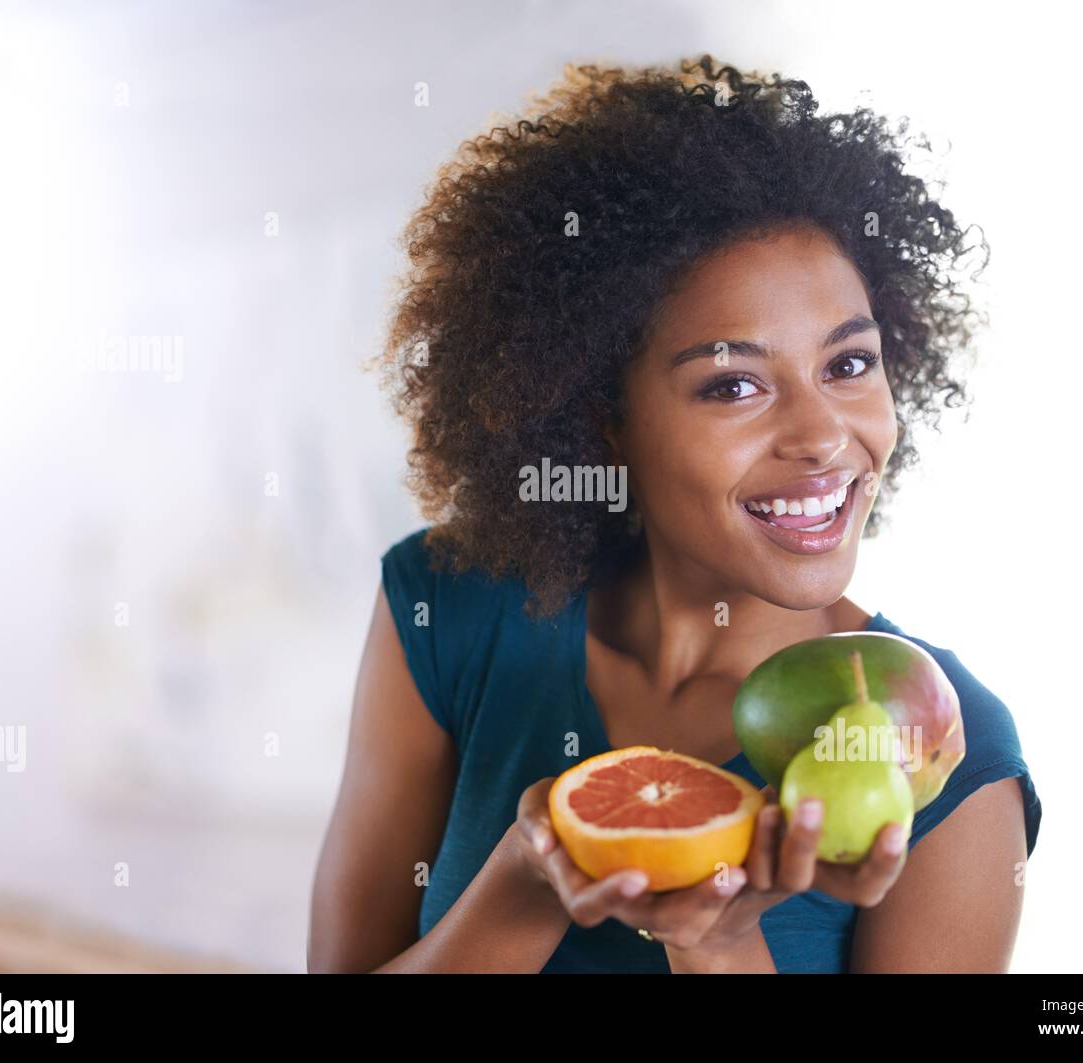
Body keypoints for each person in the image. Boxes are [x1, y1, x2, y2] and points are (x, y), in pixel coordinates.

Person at [309, 54, 1042, 974]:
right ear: (604, 419)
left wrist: (724, 946)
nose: (822, 436)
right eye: (734, 383)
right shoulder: (447, 609)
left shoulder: (951, 758)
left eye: (849, 364)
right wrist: (527, 883)